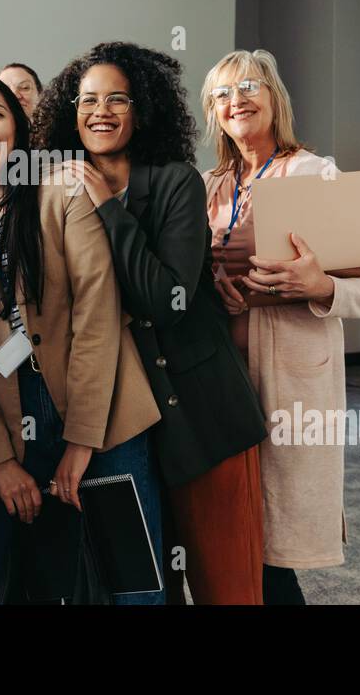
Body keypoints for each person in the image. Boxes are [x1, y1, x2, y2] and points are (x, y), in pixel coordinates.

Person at [38, 42, 270, 604]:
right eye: (88, 99)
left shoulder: (174, 180)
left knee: (226, 584)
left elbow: (168, 299)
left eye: (118, 98)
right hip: (124, 422)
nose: (101, 111)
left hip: (200, 410)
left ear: (142, 109)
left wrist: (108, 208)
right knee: (144, 580)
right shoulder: (57, 186)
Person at [0, 75, 164, 605]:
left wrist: (82, 441)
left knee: (129, 580)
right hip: (15, 422)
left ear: (19, 128)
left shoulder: (61, 193)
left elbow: (97, 317)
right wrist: (0, 463)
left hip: (104, 410)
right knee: (29, 580)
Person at [200, 49, 360, 605]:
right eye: (224, 93)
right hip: (222, 377)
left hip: (290, 381)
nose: (238, 100)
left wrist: (320, 286)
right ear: (214, 110)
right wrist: (216, 287)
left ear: (275, 98)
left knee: (274, 544)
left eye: (251, 87)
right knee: (231, 530)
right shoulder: (208, 184)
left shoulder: (313, 172)